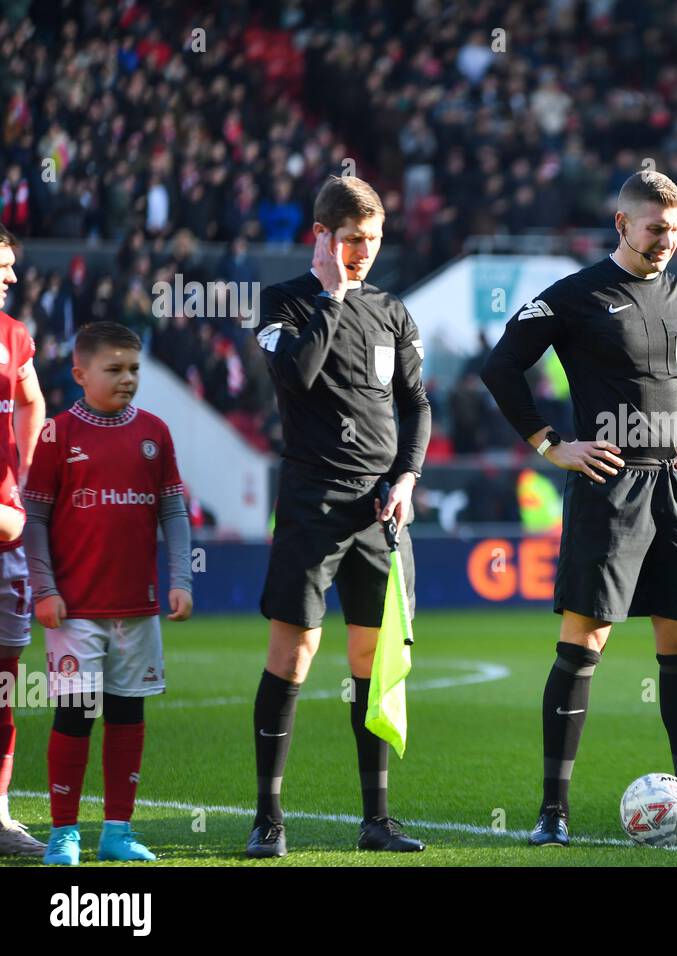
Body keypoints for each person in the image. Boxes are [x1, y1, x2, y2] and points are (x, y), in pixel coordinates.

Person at [480, 169, 677, 846]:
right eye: (655, 228)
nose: (666, 241)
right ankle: (554, 811)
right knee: (585, 644)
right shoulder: (577, 296)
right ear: (623, 225)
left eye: (675, 229)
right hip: (610, 488)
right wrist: (553, 445)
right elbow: (501, 366)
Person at [249, 176, 431, 858]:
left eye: (373, 242)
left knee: (371, 660)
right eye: (352, 240)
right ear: (320, 237)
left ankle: (376, 820)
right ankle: (268, 817)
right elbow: (297, 376)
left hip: (380, 509)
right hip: (310, 502)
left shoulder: (393, 311)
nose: (364, 253)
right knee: (294, 653)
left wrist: (407, 477)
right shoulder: (281, 304)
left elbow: (417, 405)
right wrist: (331, 297)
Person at [24, 322, 193, 864]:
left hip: (138, 608)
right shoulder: (57, 434)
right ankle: (63, 834)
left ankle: (117, 831)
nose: (127, 379)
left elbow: (173, 510)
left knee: (127, 716)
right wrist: (45, 590)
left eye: (134, 370)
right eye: (114, 369)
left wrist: (181, 579)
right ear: (80, 374)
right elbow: (34, 519)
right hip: (75, 611)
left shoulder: (155, 432)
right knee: (75, 715)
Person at [0, 222, 47, 857]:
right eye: (0, 265)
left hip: (9, 537)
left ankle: (0, 814)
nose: (11, 276)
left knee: (5, 681)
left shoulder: (13, 336)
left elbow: (33, 400)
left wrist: (26, 485)